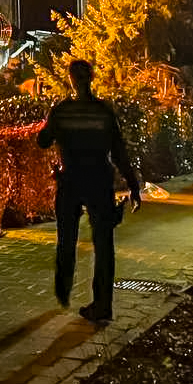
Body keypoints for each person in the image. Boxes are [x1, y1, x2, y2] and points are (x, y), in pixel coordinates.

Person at [37, 59, 142, 323]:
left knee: (66, 239)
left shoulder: (62, 110)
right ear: (91, 78)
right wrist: (133, 185)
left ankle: (63, 289)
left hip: (71, 180)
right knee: (104, 244)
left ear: (71, 79)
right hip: (99, 180)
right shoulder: (104, 112)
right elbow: (119, 152)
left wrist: (51, 121)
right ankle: (103, 305)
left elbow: (43, 141)